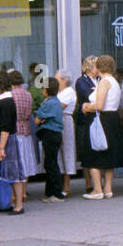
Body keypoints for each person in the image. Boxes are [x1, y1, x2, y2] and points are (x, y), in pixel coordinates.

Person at [80, 54, 123, 199]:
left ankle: (97, 189)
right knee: (108, 154)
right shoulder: (115, 81)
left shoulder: (104, 82)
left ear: (99, 66)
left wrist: (86, 107)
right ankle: (108, 188)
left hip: (101, 119)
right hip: (112, 119)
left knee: (94, 153)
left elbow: (99, 105)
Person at [0, 70, 26, 213]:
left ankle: (18, 205)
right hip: (4, 139)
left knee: (12, 172)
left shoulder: (6, 101)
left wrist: (1, 148)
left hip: (4, 140)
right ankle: (8, 203)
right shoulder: (6, 99)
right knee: (7, 172)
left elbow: (5, 128)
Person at [34, 77, 65, 202]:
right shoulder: (56, 101)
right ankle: (50, 192)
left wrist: (42, 119)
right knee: (51, 162)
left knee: (50, 164)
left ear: (46, 89)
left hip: (49, 134)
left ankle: (56, 193)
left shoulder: (48, 103)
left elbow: (37, 120)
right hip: (56, 134)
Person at [9, 69, 40, 184]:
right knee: (26, 162)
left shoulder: (10, 95)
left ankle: (14, 194)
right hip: (26, 129)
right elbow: (29, 113)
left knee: (16, 163)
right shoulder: (28, 94)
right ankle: (23, 193)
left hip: (14, 129)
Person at [54, 69, 78, 198]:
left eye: (57, 78)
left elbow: (58, 107)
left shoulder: (69, 92)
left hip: (65, 120)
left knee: (67, 151)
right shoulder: (60, 92)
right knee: (59, 153)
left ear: (64, 80)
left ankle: (67, 186)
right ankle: (60, 184)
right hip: (58, 120)